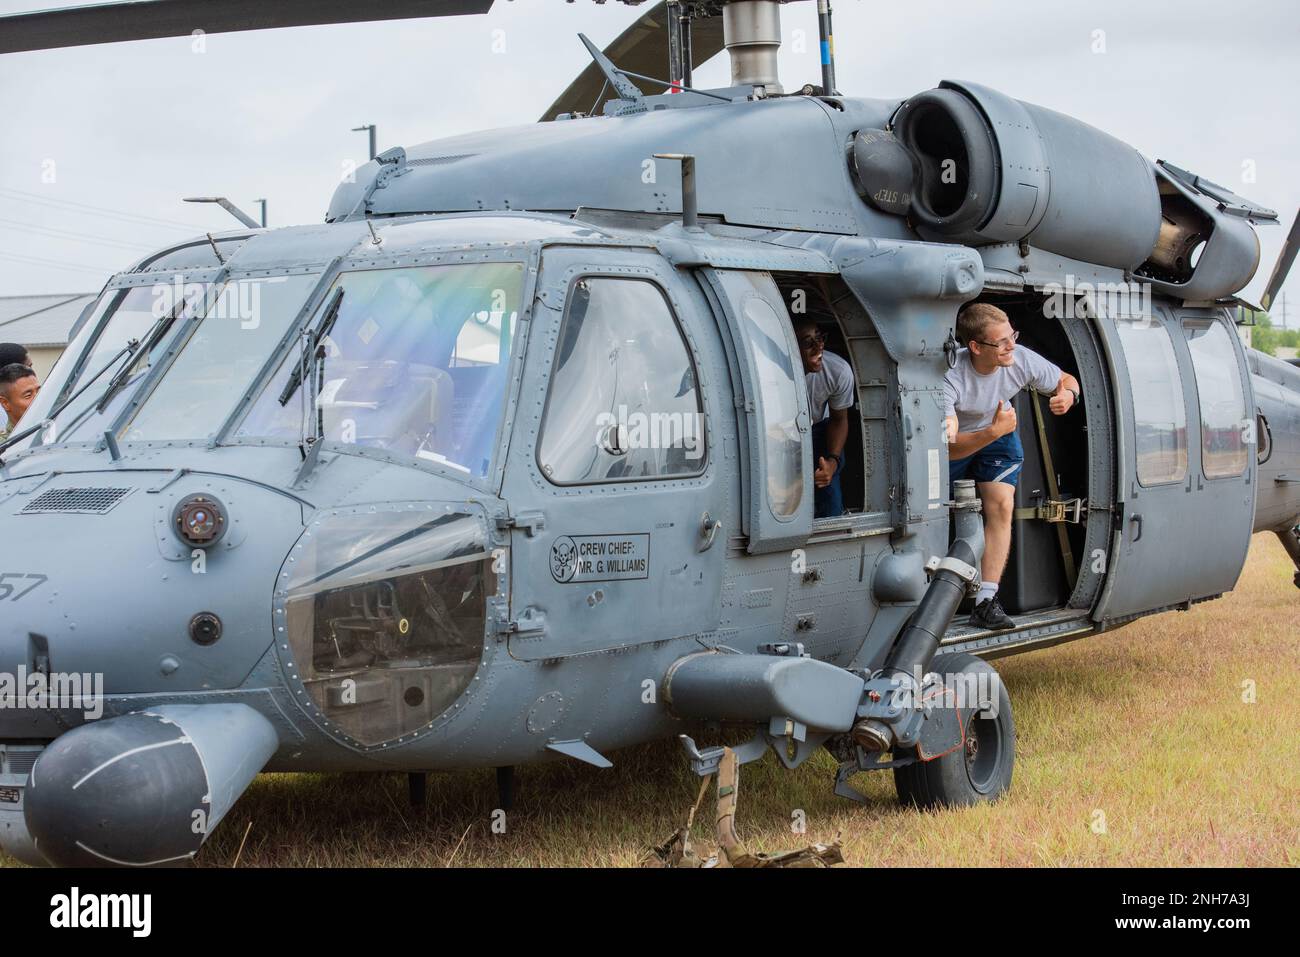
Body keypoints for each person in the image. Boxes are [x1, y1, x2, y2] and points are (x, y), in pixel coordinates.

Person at [943, 303, 1080, 630]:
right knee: (930, 515)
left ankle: (985, 601)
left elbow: (1066, 379)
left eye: (1012, 336)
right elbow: (948, 446)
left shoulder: (1018, 357)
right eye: (1001, 342)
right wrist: (993, 431)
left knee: (1001, 506)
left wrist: (1068, 396)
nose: (1010, 346)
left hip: (998, 433)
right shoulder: (949, 377)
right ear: (975, 347)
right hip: (962, 439)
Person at [794, 317, 854, 517]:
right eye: (807, 342)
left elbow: (839, 420)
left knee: (831, 506)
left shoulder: (838, 371)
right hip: (781, 431)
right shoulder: (770, 369)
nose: (818, 346)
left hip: (820, 429)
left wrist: (832, 462)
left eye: (819, 339)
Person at [0, 364, 40, 443]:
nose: (39, 398)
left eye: (39, 391)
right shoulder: (5, 446)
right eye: (28, 395)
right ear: (5, 403)